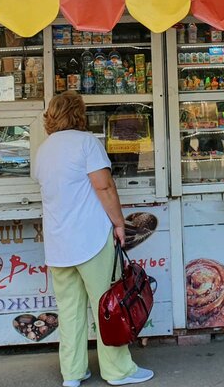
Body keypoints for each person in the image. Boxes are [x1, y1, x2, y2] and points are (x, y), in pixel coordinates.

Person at [34, 91, 155, 387]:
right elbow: (104, 188)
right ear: (79, 114)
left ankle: (72, 374)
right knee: (109, 307)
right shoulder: (87, 143)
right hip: (90, 240)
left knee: (70, 310)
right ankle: (118, 371)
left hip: (59, 243)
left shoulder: (43, 149)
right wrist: (118, 223)